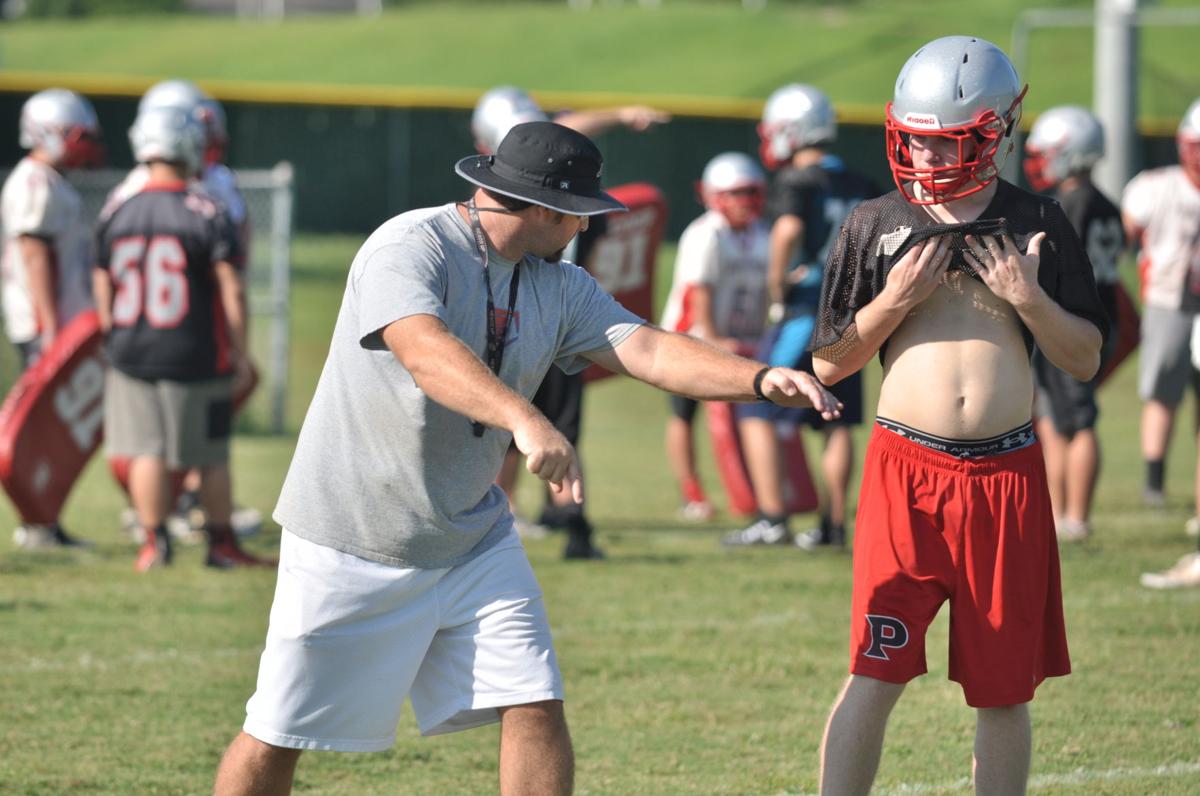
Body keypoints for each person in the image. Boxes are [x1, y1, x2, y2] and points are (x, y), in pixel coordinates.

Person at [212, 121, 840, 796]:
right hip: (354, 535)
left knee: (536, 704)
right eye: (578, 214)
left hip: (473, 536)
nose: (584, 229)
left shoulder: (559, 283)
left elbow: (649, 348)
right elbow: (423, 349)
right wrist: (523, 417)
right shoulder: (408, 244)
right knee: (278, 736)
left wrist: (758, 378)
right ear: (543, 209)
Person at [808, 37, 1107, 793]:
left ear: (1001, 128)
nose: (928, 158)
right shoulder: (873, 221)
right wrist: (893, 302)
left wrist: (1030, 298)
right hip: (905, 473)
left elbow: (1085, 358)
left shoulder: (1039, 219)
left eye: (948, 143)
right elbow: (828, 363)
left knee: (1004, 691)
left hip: (1007, 474)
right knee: (874, 674)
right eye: (917, 140)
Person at [472, 85, 669, 558]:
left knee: (508, 425)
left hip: (525, 317)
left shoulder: (506, 202)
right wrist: (623, 110)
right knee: (546, 426)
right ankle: (566, 521)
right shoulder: (564, 198)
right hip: (558, 319)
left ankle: (518, 515)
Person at [92, 105, 269, 572]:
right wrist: (237, 348)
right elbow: (231, 287)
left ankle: (154, 545)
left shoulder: (120, 207)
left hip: (131, 350)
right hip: (193, 351)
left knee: (148, 452)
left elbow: (102, 279)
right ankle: (220, 544)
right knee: (208, 454)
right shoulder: (206, 209)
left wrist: (113, 331)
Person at [723, 84, 878, 548]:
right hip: (851, 316)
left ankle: (772, 518)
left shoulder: (797, 181)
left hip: (804, 311)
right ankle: (833, 525)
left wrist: (777, 286)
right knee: (836, 422)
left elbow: (788, 229)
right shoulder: (862, 183)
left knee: (754, 403)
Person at [1, 88, 104, 549]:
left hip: (61, 326)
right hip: (48, 327)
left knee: (60, 434)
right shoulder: (35, 181)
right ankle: (38, 526)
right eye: (74, 135)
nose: (82, 144)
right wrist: (51, 326)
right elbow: (34, 253)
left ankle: (46, 523)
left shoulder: (51, 180)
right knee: (43, 433)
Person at [1022, 105, 1125, 542]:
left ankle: (1075, 517)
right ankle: (1060, 512)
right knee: (1054, 417)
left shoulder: (1070, 206)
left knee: (1076, 420)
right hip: (1093, 317)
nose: (1041, 162)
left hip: (1072, 321)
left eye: (1048, 152)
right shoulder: (1106, 203)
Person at [660, 152, 770, 519]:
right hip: (688, 338)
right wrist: (711, 337)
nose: (744, 201)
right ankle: (692, 493)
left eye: (750, 191)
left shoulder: (761, 234)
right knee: (683, 414)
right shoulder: (705, 233)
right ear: (715, 195)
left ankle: (754, 490)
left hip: (738, 339)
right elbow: (698, 293)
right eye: (736, 193)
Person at [1121, 98, 1200, 513]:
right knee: (1162, 391)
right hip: (1170, 300)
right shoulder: (1156, 186)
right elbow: (1123, 234)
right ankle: (1154, 481)